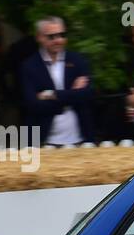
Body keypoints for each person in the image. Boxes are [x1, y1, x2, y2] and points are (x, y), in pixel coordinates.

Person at [20, 16, 94, 147]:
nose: (58, 40)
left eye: (61, 35)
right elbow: (33, 105)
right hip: (44, 142)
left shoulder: (77, 60)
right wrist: (72, 94)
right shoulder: (29, 66)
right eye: (51, 37)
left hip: (79, 140)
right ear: (39, 37)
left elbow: (88, 95)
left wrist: (51, 95)